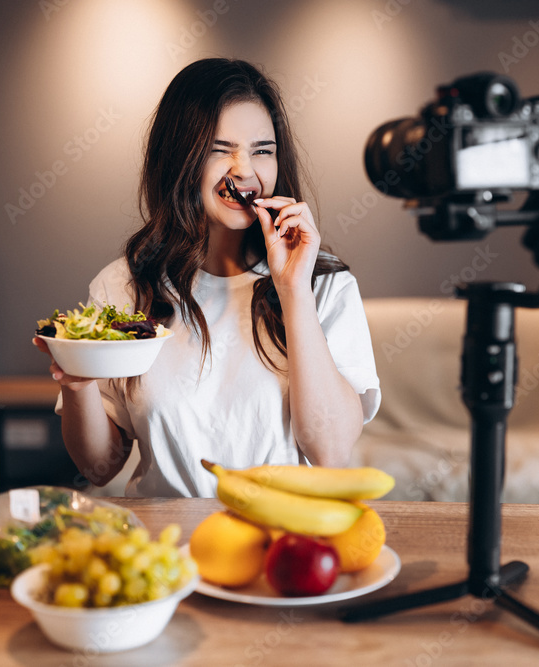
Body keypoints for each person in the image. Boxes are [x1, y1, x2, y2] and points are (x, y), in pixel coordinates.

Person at [33, 58, 381, 497]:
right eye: (221, 150)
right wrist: (79, 383)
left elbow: (330, 451)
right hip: (165, 534)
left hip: (283, 531)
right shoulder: (123, 286)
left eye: (262, 150)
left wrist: (294, 290)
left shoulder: (325, 285)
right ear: (179, 158)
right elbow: (99, 468)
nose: (244, 169)